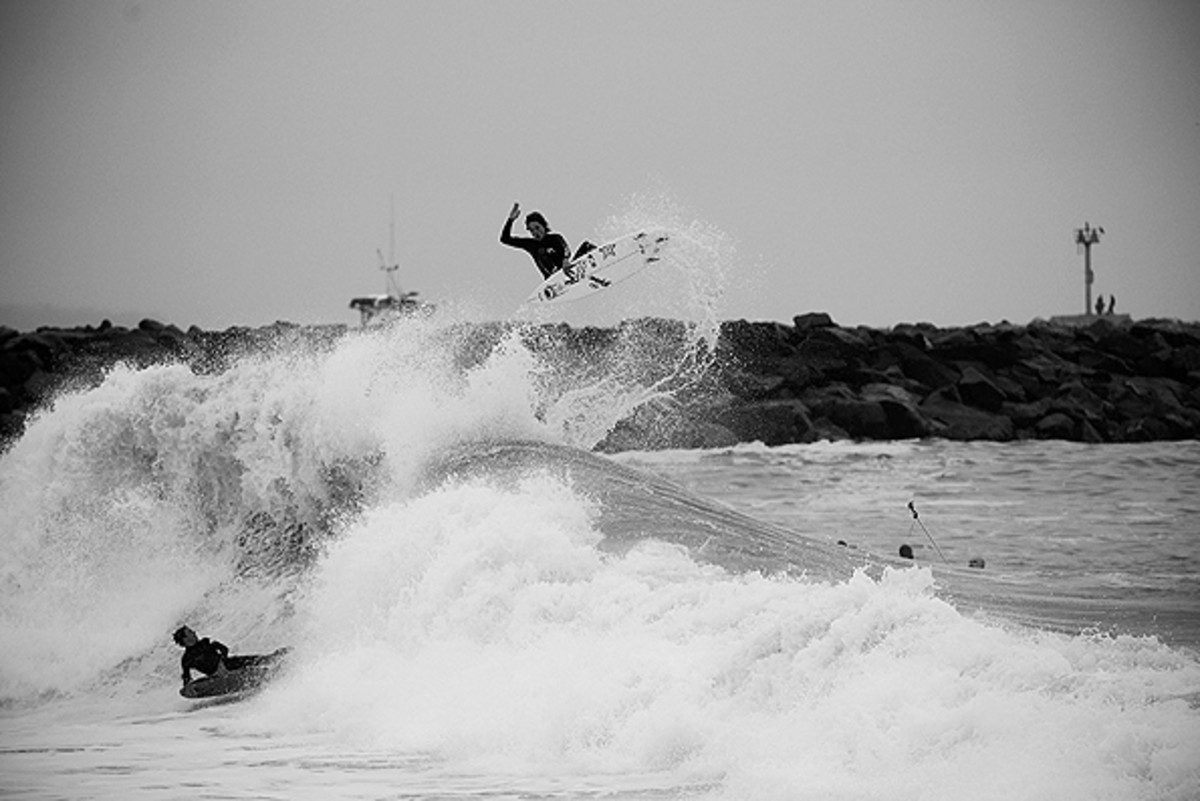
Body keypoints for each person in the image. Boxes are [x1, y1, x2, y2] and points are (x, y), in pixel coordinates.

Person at [500, 202, 593, 280]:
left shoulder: (555, 238)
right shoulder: (530, 244)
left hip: (568, 269)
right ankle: (556, 274)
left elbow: (565, 249)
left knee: (587, 246)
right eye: (531, 230)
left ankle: (602, 265)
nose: (535, 232)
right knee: (541, 251)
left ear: (543, 225)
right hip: (553, 278)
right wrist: (510, 220)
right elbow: (505, 239)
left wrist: (565, 260)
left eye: (537, 227)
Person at [172, 625, 276, 687]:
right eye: (190, 632)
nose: (194, 632)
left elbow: (224, 649)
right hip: (216, 676)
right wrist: (189, 686)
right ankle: (268, 672)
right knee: (251, 668)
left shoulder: (206, 643)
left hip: (228, 664)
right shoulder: (186, 659)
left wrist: (222, 662)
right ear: (185, 639)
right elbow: (186, 678)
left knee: (256, 661)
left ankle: (275, 658)